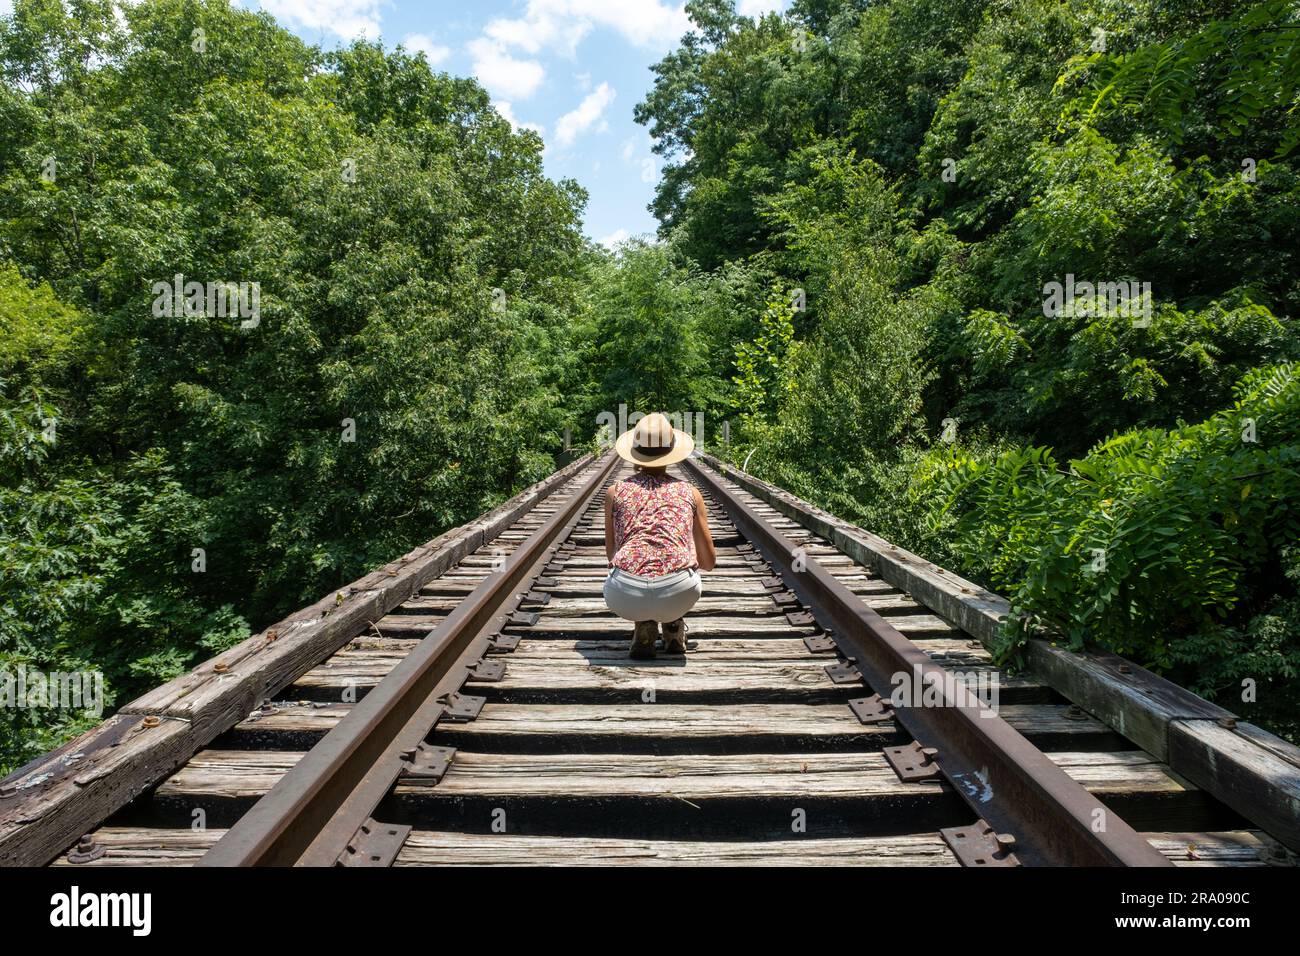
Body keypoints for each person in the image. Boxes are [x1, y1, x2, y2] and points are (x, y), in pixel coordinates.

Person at [603, 412, 717, 658]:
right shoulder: (690, 492)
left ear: (635, 452)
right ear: (672, 451)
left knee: (630, 567)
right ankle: (673, 625)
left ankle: (643, 625)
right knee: (683, 557)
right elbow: (708, 562)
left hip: (624, 595)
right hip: (679, 593)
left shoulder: (615, 492)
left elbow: (612, 555)